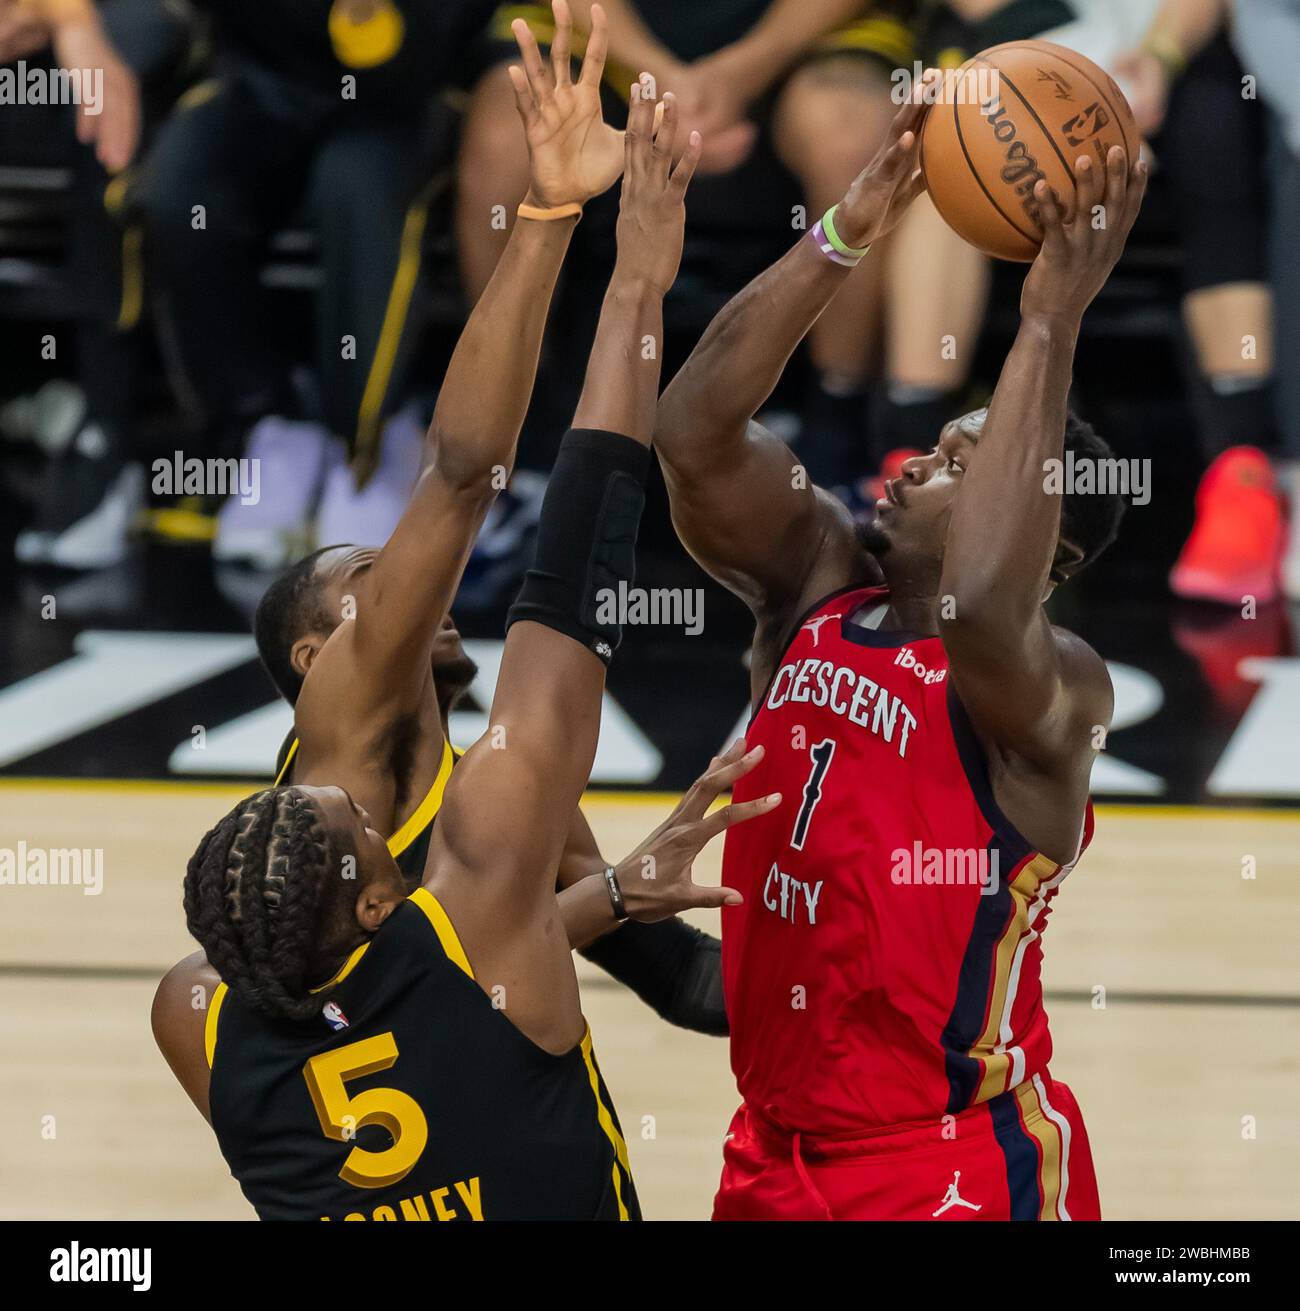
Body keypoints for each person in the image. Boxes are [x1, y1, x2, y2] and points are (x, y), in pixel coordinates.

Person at [151, 65, 758, 1222]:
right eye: (365, 586)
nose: (404, 583)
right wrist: (563, 229)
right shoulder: (386, 758)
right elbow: (471, 480)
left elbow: (672, 987)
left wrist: (630, 897)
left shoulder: (224, 990)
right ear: (316, 663)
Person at [653, 78, 1147, 1219]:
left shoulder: (1053, 686)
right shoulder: (816, 585)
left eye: (965, 462)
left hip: (952, 1165)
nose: (921, 461)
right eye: (935, 440)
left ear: (1050, 546)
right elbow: (691, 435)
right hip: (770, 1152)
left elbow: (980, 599)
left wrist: (1049, 319)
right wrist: (847, 229)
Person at [138, 0, 498, 565]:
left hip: (406, 93)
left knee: (356, 186)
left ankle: (367, 447)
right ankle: (268, 431)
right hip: (264, 84)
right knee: (183, 192)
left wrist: (364, 19)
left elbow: (427, 52)